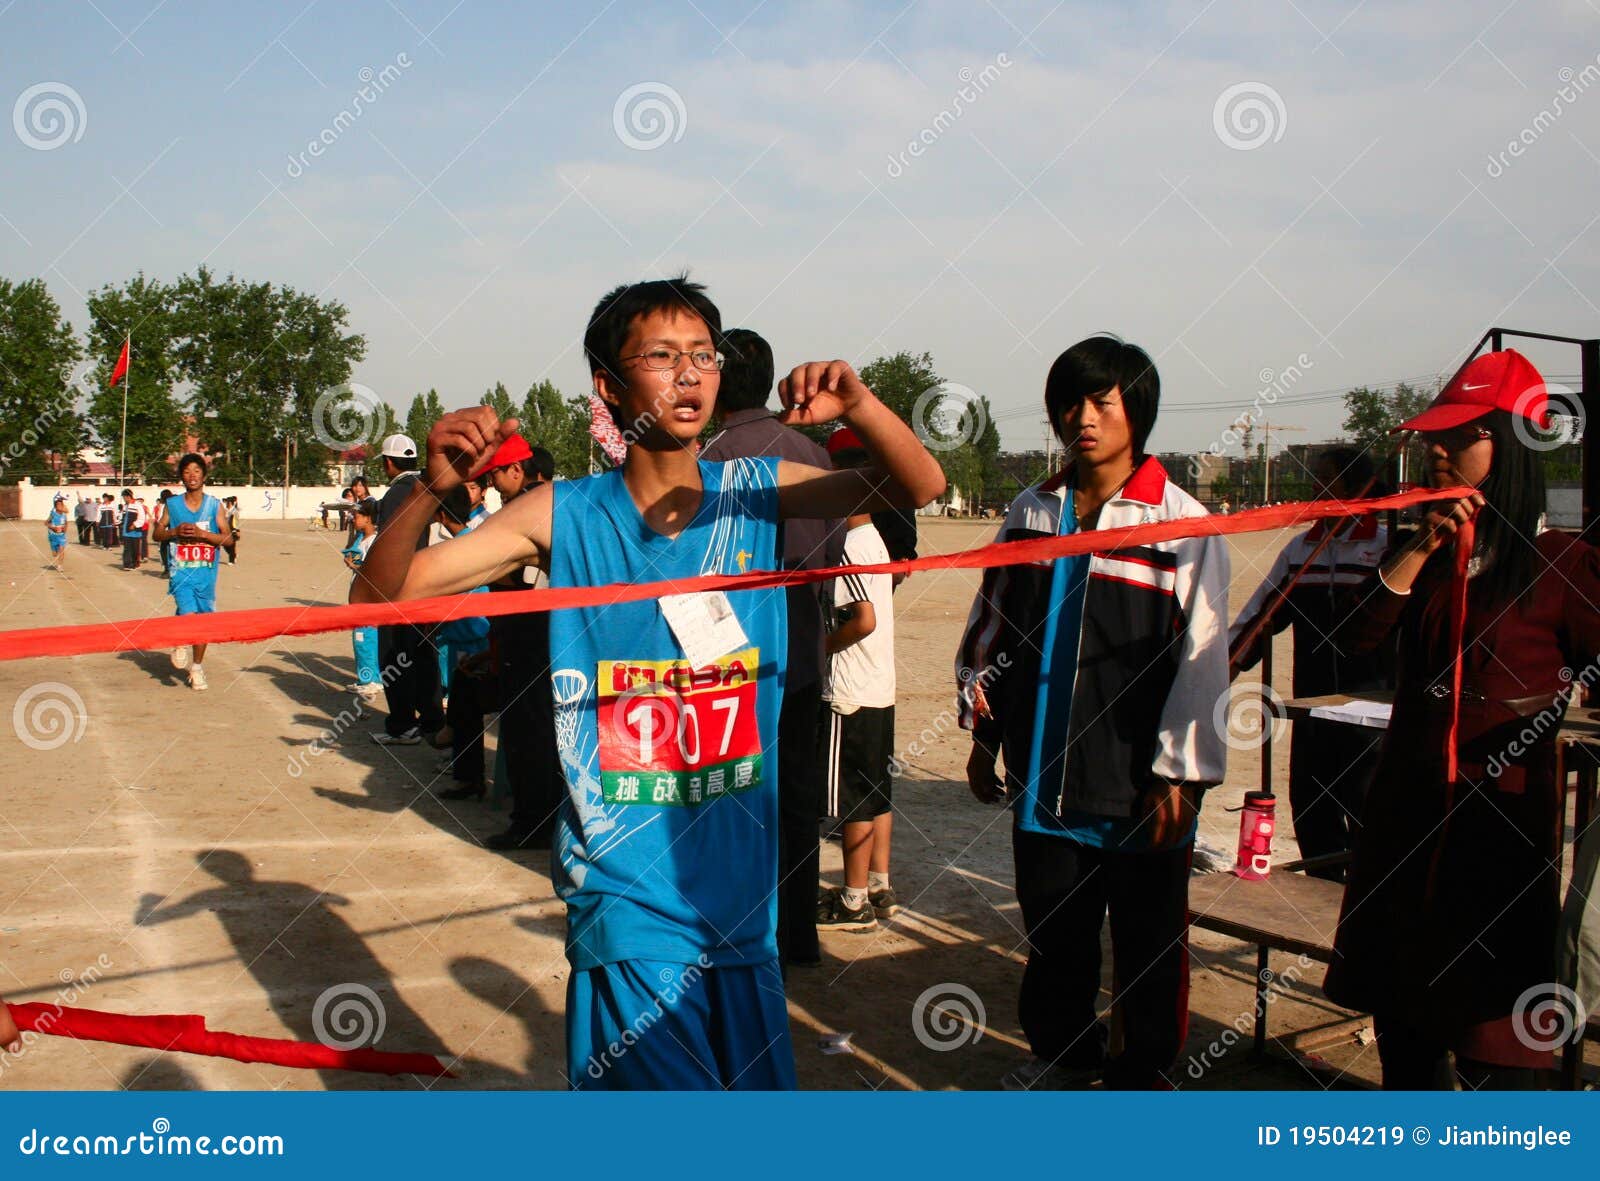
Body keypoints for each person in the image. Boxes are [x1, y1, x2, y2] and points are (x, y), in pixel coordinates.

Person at [352, 275, 944, 1090]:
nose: (690, 373)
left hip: (742, 906)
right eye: (662, 356)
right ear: (609, 385)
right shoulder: (561, 513)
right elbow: (379, 599)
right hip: (627, 902)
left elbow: (918, 487)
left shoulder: (758, 492)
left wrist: (863, 406)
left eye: (704, 354)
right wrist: (431, 488)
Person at [956, 336, 1230, 1090]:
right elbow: (993, 624)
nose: (1083, 419)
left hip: (1138, 779)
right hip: (1043, 773)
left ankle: (1141, 1072)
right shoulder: (1031, 512)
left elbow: (1202, 661)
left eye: (1102, 402)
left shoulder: (1181, 525)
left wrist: (1180, 775)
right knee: (1055, 931)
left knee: (1147, 940)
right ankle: (1063, 1053)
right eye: (1069, 404)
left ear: (1135, 410)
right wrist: (983, 733)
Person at [1324, 349, 1600, 1090]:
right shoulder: (1422, 554)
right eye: (1434, 437)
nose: (1438, 451)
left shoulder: (1562, 566)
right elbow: (1352, 639)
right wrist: (1420, 546)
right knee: (1405, 1041)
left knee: (1496, 1056)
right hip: (1405, 825)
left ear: (1509, 445)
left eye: (1461, 435)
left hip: (1496, 840)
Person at [699, 327, 842, 966]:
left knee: (729, 797)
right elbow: (834, 551)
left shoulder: (710, 460)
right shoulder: (813, 454)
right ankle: (797, 935)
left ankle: (741, 931)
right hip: (802, 647)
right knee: (796, 798)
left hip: (731, 659)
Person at [1229, 447, 1391, 879]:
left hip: (1373, 715)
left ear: (1354, 486)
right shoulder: (1301, 548)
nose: (1316, 487)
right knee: (1312, 806)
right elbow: (1260, 616)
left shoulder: (1387, 546)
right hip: (1312, 708)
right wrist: (1225, 665)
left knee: (1369, 812)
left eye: (1326, 478)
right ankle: (1322, 896)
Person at [815, 428, 899, 932]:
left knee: (852, 801)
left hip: (849, 691)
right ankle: (879, 885)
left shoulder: (847, 544)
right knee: (876, 792)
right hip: (879, 686)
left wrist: (818, 648)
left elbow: (861, 620)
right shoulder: (875, 540)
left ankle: (852, 900)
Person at [470, 436, 561, 849]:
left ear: (516, 469)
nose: (491, 483)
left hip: (528, 636)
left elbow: (509, 575)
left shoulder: (525, 510)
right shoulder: (550, 504)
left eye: (495, 474)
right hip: (545, 635)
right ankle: (544, 817)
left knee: (528, 732)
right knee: (544, 731)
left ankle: (532, 823)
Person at [371, 433, 445, 747]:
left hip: (398, 590)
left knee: (393, 657)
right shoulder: (424, 490)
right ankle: (432, 719)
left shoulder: (395, 495)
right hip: (425, 586)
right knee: (424, 655)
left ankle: (402, 724)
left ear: (389, 463)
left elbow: (389, 547)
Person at [152, 453, 230, 692]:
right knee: (188, 613)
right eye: (186, 472)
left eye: (196, 471)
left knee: (203, 623)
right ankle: (180, 641)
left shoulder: (214, 505)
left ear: (204, 475)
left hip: (206, 574)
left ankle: (196, 668)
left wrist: (203, 534)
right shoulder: (173, 505)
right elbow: (157, 534)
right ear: (181, 477)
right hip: (181, 572)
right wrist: (174, 532)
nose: (192, 476)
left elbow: (228, 539)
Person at [342, 497, 383, 700]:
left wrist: (356, 566)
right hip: (359, 596)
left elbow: (375, 570)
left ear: (368, 518)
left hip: (368, 598)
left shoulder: (375, 541)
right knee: (363, 639)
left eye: (357, 516)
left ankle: (370, 681)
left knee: (364, 640)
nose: (354, 520)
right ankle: (367, 678)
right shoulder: (360, 539)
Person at [118, 488, 144, 570]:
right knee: (127, 548)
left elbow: (142, 518)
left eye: (124, 497)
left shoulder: (137, 505)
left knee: (135, 549)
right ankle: (127, 564)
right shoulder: (125, 506)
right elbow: (122, 517)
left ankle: (135, 563)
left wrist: (135, 524)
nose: (124, 499)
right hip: (126, 531)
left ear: (129, 496)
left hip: (135, 531)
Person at [46, 495, 69, 571]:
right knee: (55, 554)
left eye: (61, 505)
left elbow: (66, 523)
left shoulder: (64, 515)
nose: (60, 506)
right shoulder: (53, 514)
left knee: (61, 550)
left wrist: (65, 529)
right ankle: (54, 550)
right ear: (55, 507)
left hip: (61, 536)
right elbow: (46, 523)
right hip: (53, 536)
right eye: (58, 505)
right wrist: (53, 528)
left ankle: (60, 566)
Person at [223, 496, 241, 564]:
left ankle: (231, 560)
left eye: (227, 502)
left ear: (230, 503)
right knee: (224, 544)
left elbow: (236, 522)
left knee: (232, 545)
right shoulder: (226, 510)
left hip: (233, 530)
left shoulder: (234, 511)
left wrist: (237, 530)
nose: (225, 503)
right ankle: (233, 555)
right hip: (225, 529)